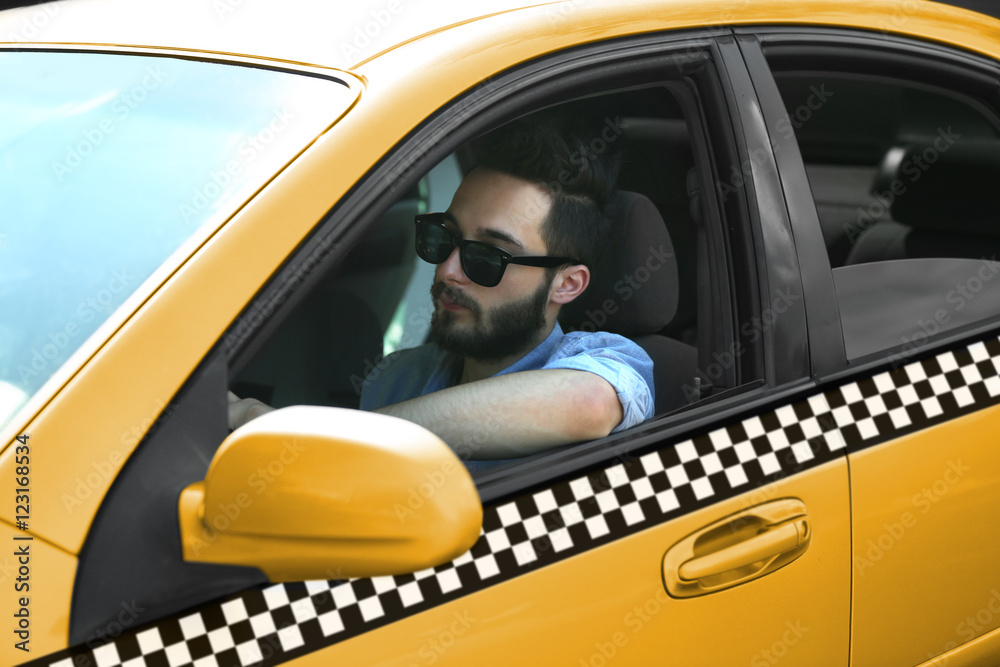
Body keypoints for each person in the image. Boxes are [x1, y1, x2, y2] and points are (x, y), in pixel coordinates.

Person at [229, 113, 654, 470]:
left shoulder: (605, 362)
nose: (448, 270)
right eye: (442, 238)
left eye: (488, 257)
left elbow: (590, 404)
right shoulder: (397, 377)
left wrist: (302, 431)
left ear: (566, 284)